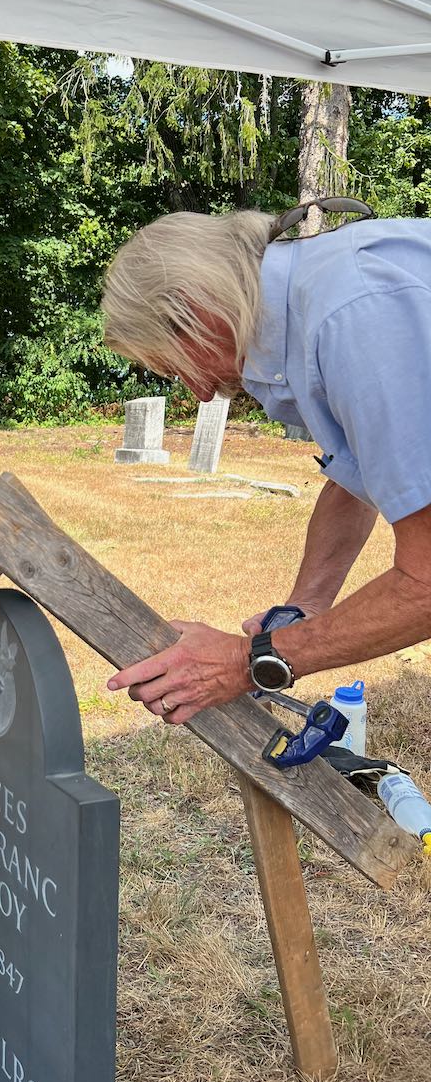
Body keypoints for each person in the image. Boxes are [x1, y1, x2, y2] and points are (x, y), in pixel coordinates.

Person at [99, 202, 431, 726]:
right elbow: (354, 476)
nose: (201, 392)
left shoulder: (352, 317)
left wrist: (248, 660)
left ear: (195, 311)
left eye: (179, 368)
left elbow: (426, 580)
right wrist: (306, 606)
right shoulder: (318, 303)